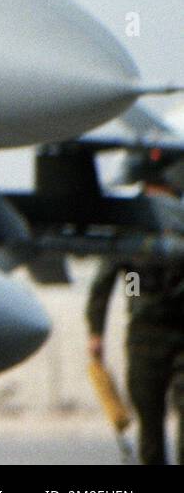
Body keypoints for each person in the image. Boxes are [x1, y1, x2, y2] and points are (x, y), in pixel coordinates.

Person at [86, 172, 184, 465]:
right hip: (145, 335)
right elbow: (103, 285)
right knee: (150, 420)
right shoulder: (131, 224)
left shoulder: (177, 219)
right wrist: (96, 333)